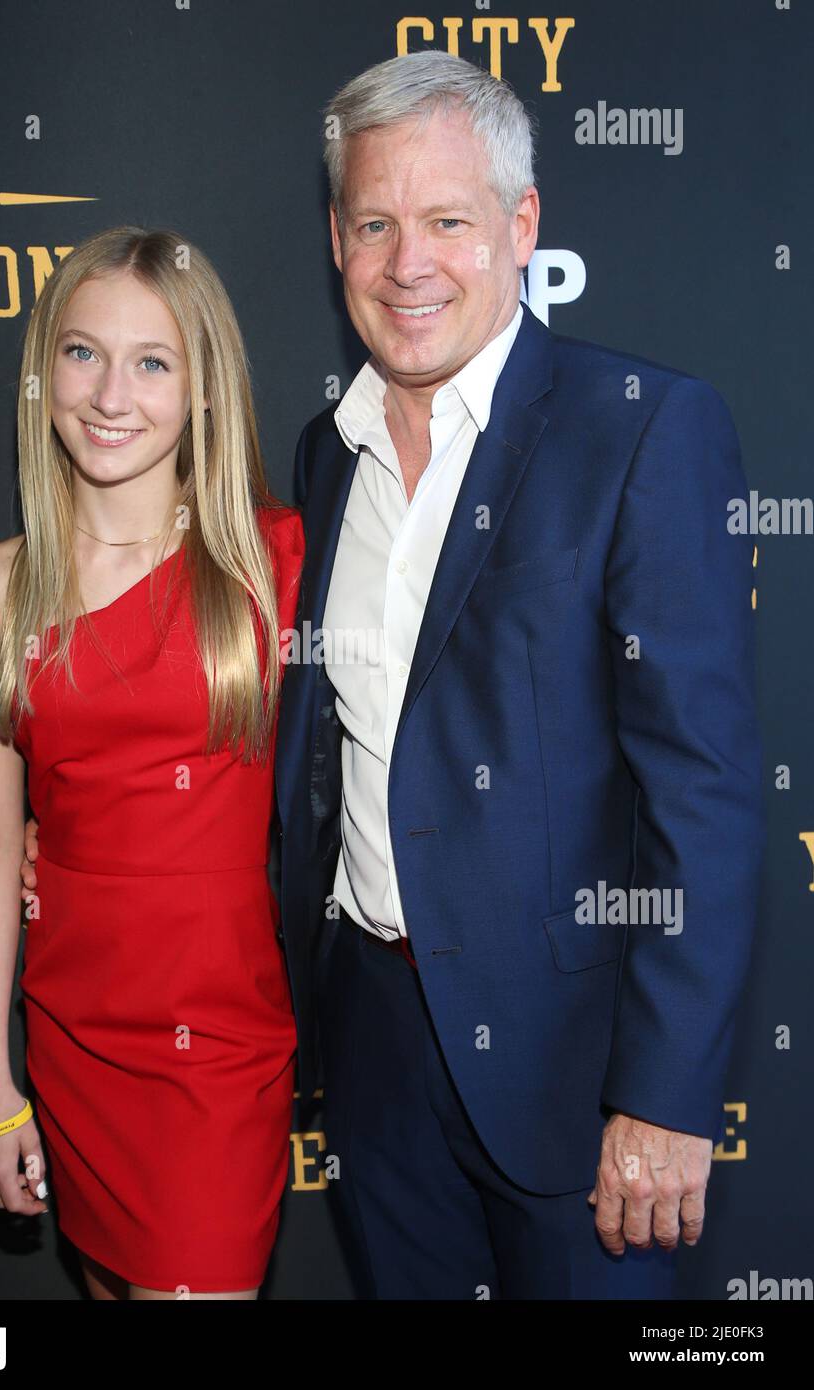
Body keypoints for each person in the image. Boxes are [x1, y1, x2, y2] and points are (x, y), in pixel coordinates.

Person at [271, 52, 764, 1298]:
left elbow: (701, 794)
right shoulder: (324, 456)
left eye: (446, 220)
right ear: (336, 237)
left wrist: (659, 1094)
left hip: (573, 1069)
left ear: (520, 225)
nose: (408, 262)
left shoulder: (642, 426)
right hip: (373, 1045)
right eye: (375, 223)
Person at [0, 226, 303, 1301]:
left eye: (152, 361)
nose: (110, 393)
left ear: (202, 386)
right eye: (81, 352)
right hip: (72, 1025)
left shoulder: (272, 563)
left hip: (216, 1037)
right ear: (40, 368)